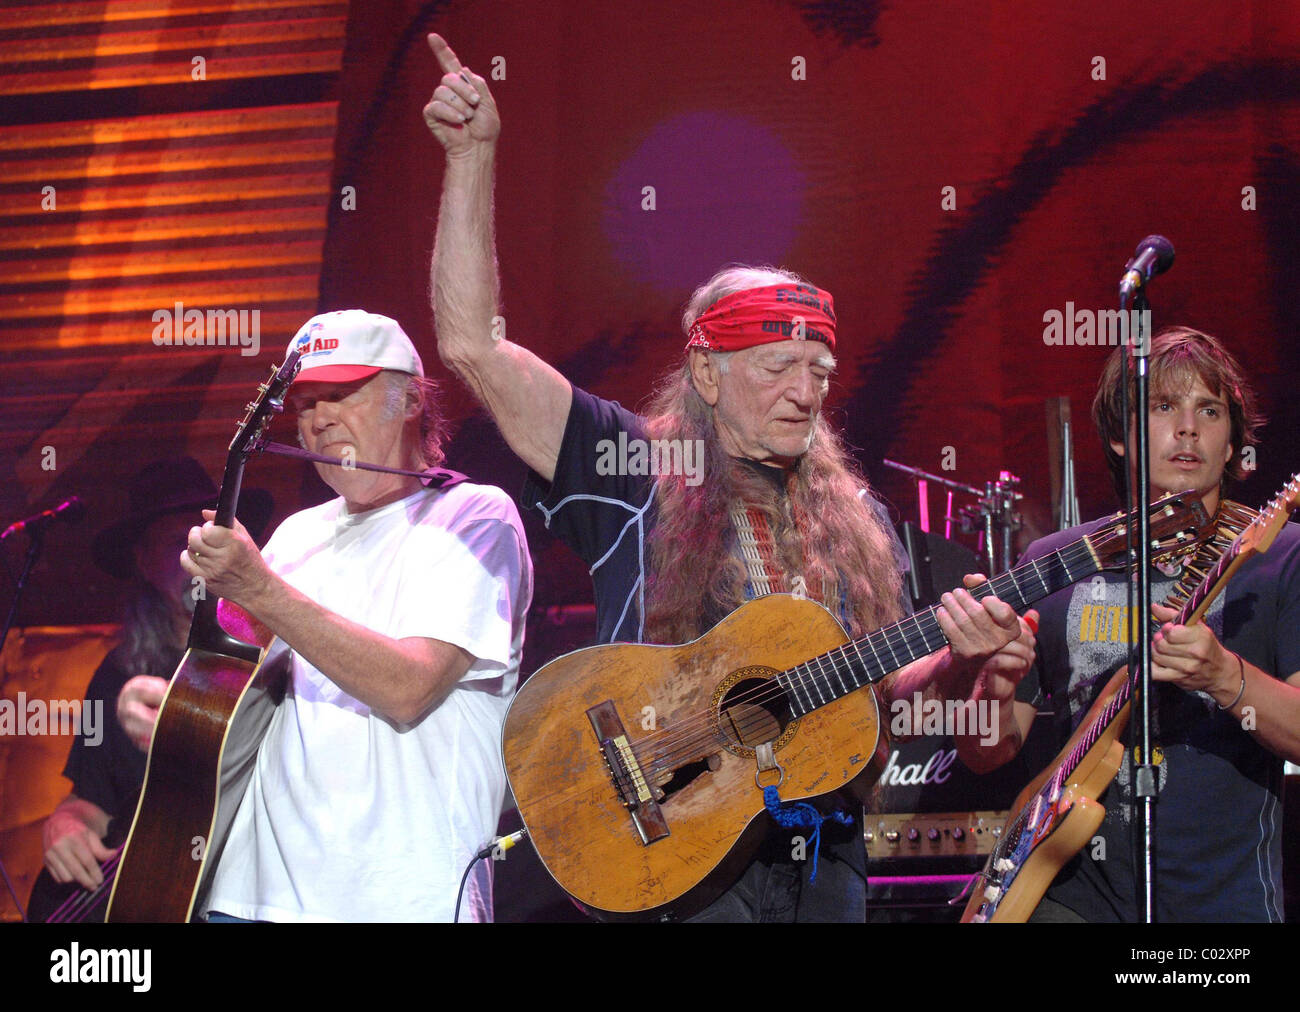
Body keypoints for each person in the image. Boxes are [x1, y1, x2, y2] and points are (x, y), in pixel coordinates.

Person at [423, 34, 1033, 921]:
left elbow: (881, 703)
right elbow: (473, 345)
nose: (805, 393)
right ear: (708, 375)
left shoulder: (855, 516)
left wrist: (952, 667)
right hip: (668, 851)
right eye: (776, 366)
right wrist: (473, 158)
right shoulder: (633, 467)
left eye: (820, 372)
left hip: (824, 859)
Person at [118, 311, 533, 922]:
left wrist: (261, 589)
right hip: (248, 898)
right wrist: (164, 706)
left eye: (342, 394)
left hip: (398, 901)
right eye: (306, 403)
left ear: (412, 398)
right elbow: (229, 701)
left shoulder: (474, 516)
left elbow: (408, 688)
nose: (319, 420)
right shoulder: (293, 535)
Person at [992, 327, 1300, 921]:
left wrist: (1226, 677)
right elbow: (989, 752)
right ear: (1118, 436)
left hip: (1222, 908)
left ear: (1233, 443)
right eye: (1163, 407)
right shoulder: (1054, 563)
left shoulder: (1279, 556)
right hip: (1065, 897)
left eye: (1208, 411)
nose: (1188, 428)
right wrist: (987, 685)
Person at [39, 457, 271, 900]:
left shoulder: (270, 654)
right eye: (172, 543)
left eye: (202, 537)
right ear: (143, 563)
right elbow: (90, 799)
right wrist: (65, 825)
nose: (192, 555)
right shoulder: (117, 672)